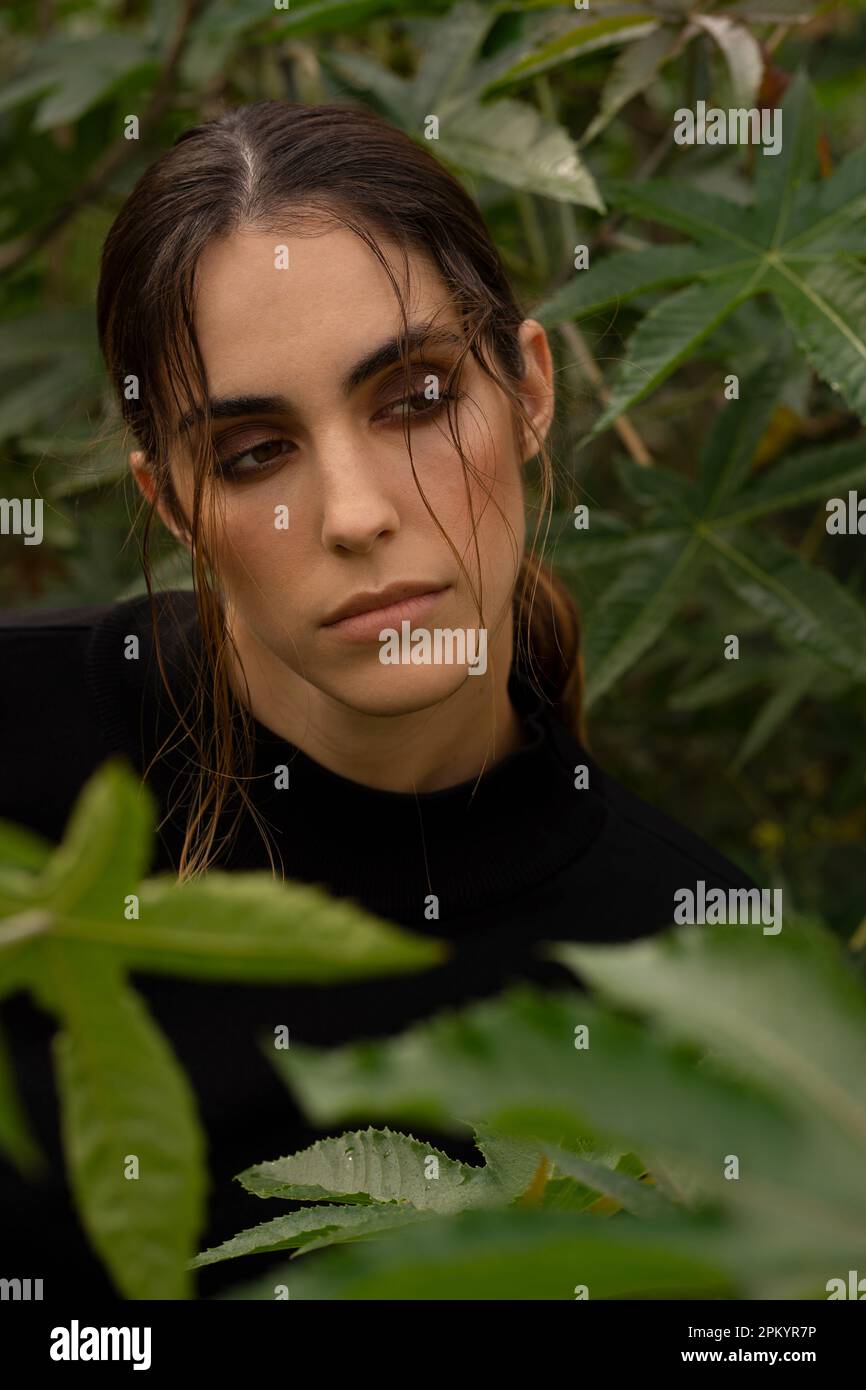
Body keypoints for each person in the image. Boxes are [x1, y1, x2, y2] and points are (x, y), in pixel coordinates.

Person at [0, 102, 757, 1299]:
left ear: (528, 388)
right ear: (170, 502)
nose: (353, 513)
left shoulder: (705, 969)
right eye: (255, 452)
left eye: (412, 398)